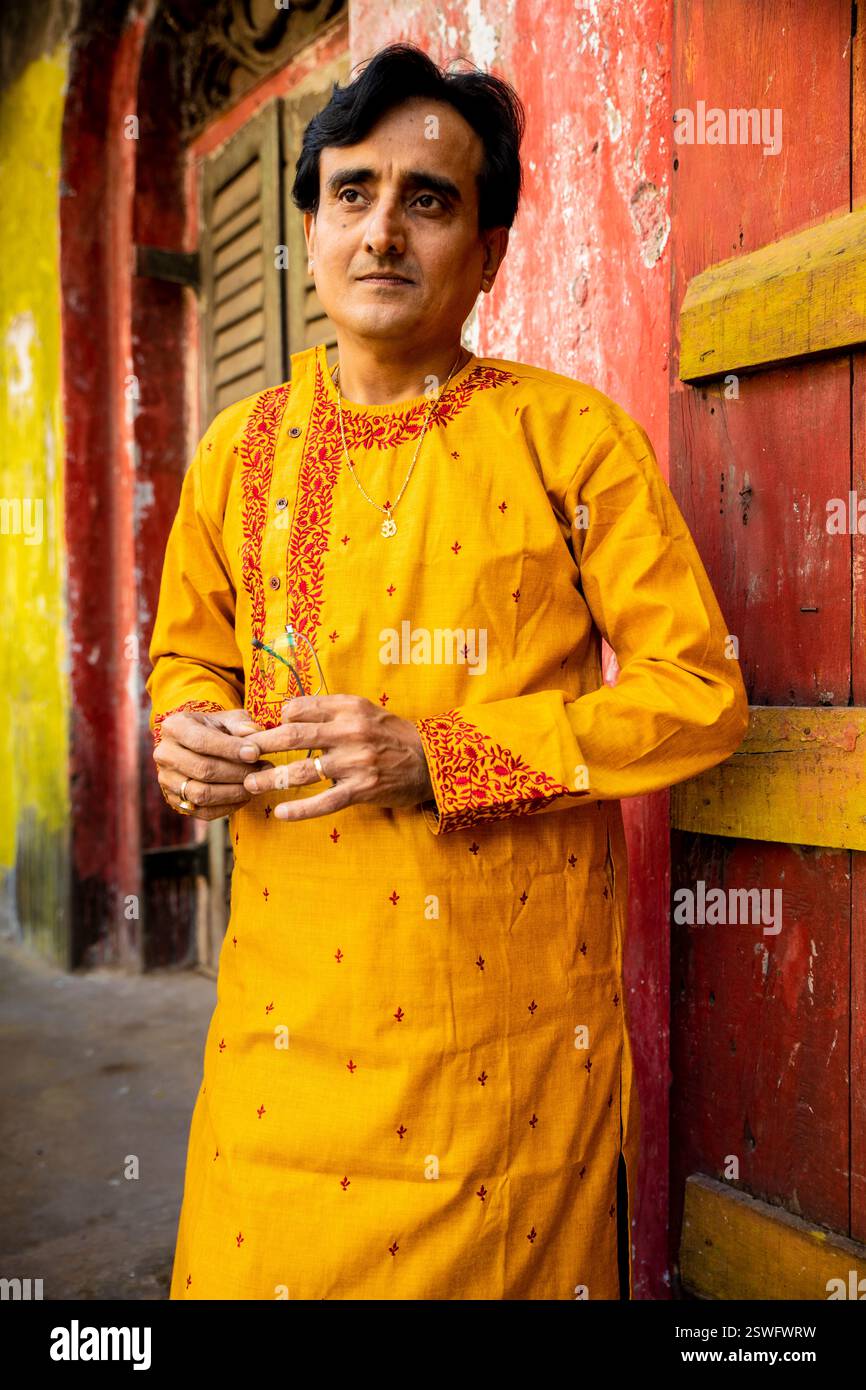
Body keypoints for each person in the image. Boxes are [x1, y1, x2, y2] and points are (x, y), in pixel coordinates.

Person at [146, 41, 749, 1300]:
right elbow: (185, 665)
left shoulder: (567, 439)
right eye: (352, 192)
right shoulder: (232, 454)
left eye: (428, 200)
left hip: (506, 1063)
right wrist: (185, 732)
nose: (381, 232)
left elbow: (697, 697)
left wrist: (438, 755)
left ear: (486, 252)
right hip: (283, 1046)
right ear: (307, 231)